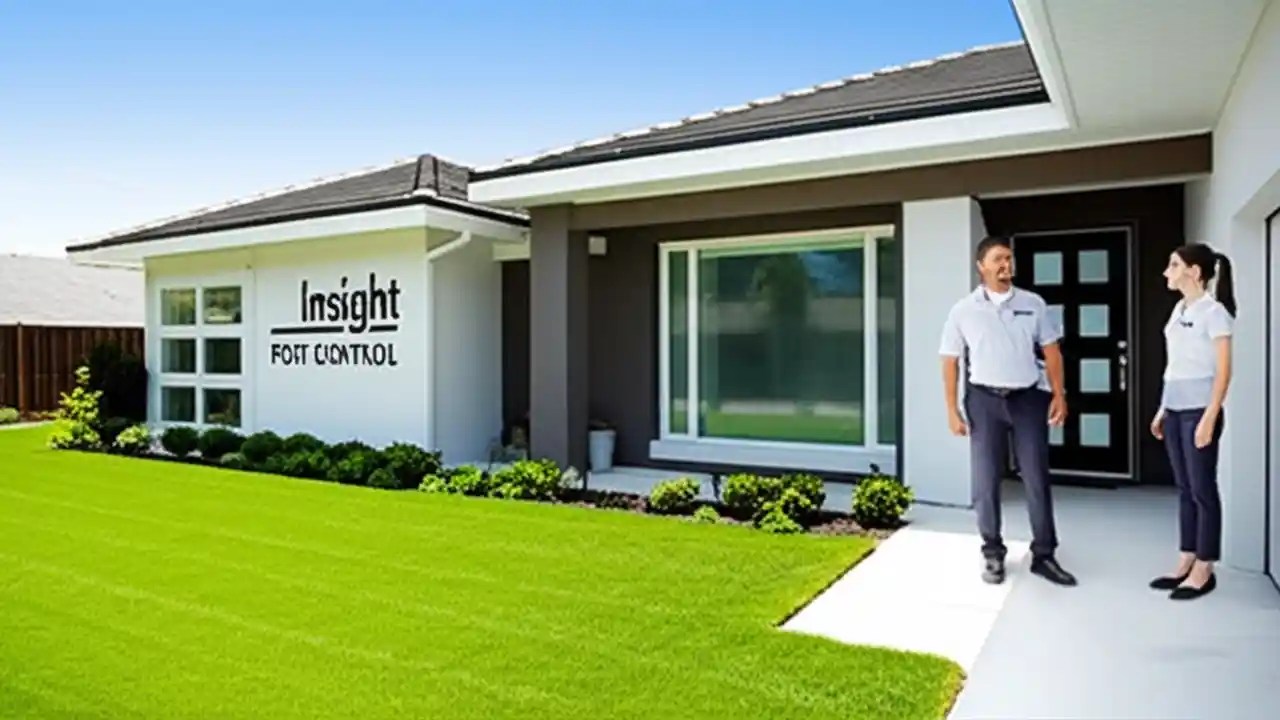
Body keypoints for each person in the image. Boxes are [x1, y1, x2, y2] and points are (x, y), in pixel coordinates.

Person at [939, 235, 1076, 586]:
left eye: (1009, 259)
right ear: (981, 266)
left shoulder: (1033, 303)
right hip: (983, 402)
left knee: (1036, 477)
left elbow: (1052, 352)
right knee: (985, 481)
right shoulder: (963, 310)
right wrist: (952, 409)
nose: (1006, 266)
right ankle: (992, 552)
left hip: (1028, 400)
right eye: (999, 259)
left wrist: (1059, 395)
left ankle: (1044, 554)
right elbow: (950, 361)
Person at [1148, 243, 1235, 601]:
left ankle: (1205, 566)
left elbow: (1224, 370)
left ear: (1194, 272)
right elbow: (1176, 365)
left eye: (1173, 265)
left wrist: (1210, 416)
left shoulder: (1214, 313)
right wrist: (1162, 409)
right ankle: (1186, 558)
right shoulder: (1178, 309)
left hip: (1201, 411)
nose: (1167, 272)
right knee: (1184, 489)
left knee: (1202, 489)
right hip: (1176, 409)